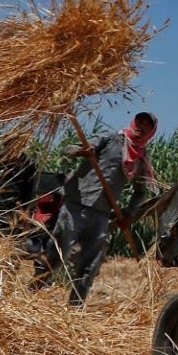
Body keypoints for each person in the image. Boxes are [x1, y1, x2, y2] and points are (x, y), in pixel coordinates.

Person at [40, 112, 161, 305]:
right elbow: (68, 149)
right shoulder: (110, 138)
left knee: (91, 265)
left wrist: (129, 214)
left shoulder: (141, 158)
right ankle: (35, 290)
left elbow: (140, 192)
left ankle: (76, 306)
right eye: (139, 121)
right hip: (76, 204)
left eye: (147, 124)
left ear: (151, 131)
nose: (141, 126)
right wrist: (82, 152)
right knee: (57, 250)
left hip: (102, 214)